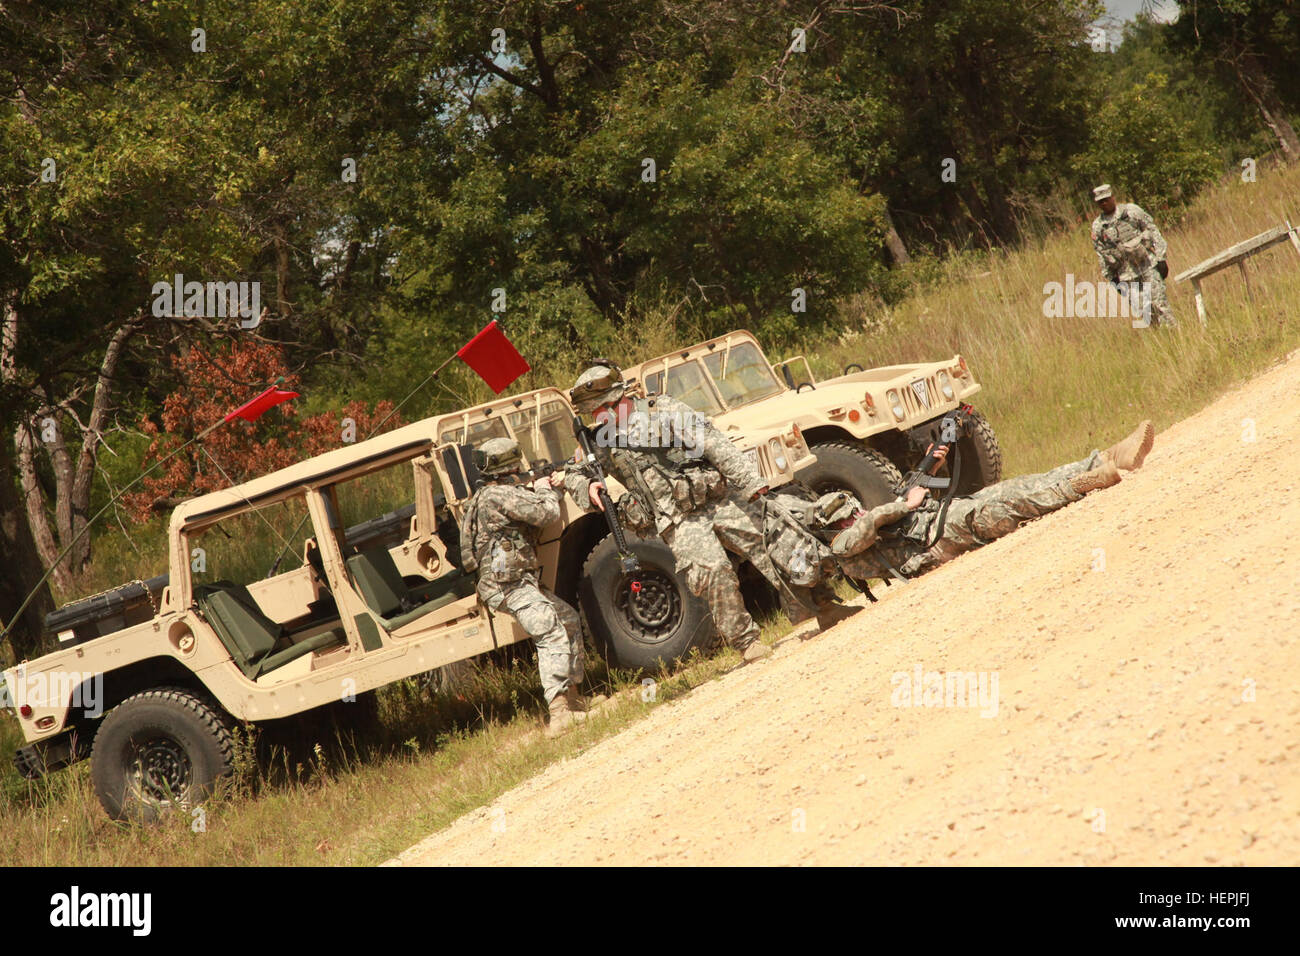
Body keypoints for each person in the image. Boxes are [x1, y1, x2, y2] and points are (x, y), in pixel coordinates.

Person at [567, 363, 855, 662]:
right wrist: (586, 486)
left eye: (600, 408)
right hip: (677, 520)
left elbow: (714, 443)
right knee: (713, 572)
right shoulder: (598, 440)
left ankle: (823, 607)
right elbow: (572, 474)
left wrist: (750, 484)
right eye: (593, 412)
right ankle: (747, 643)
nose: (597, 416)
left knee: (773, 542)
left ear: (616, 401)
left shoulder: (662, 410)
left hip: (718, 498)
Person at [825, 421, 1155, 580]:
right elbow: (867, 528)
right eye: (850, 512)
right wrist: (907, 505)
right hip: (941, 537)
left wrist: (932, 466)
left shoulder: (874, 527)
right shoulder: (843, 548)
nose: (858, 512)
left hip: (947, 519)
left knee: (1021, 485)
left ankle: (1108, 457)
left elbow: (909, 503)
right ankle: (1086, 480)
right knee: (1013, 503)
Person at [460, 437, 598, 737]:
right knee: (549, 628)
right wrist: (546, 489)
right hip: (505, 585)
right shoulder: (497, 496)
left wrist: (537, 487)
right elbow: (546, 513)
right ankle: (559, 713)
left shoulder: (495, 492)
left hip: (518, 580)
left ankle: (573, 700)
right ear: (511, 465)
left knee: (568, 620)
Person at [1090, 184, 1176, 328]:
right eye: (1100, 202)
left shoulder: (1131, 211)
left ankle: (1175, 336)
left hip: (1147, 266)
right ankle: (1161, 342)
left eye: (1106, 199)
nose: (1104, 203)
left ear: (1112, 197)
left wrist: (1161, 258)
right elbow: (1101, 253)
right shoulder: (1099, 226)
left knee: (1161, 305)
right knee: (1145, 312)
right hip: (1126, 276)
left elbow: (1152, 230)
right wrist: (1112, 278)